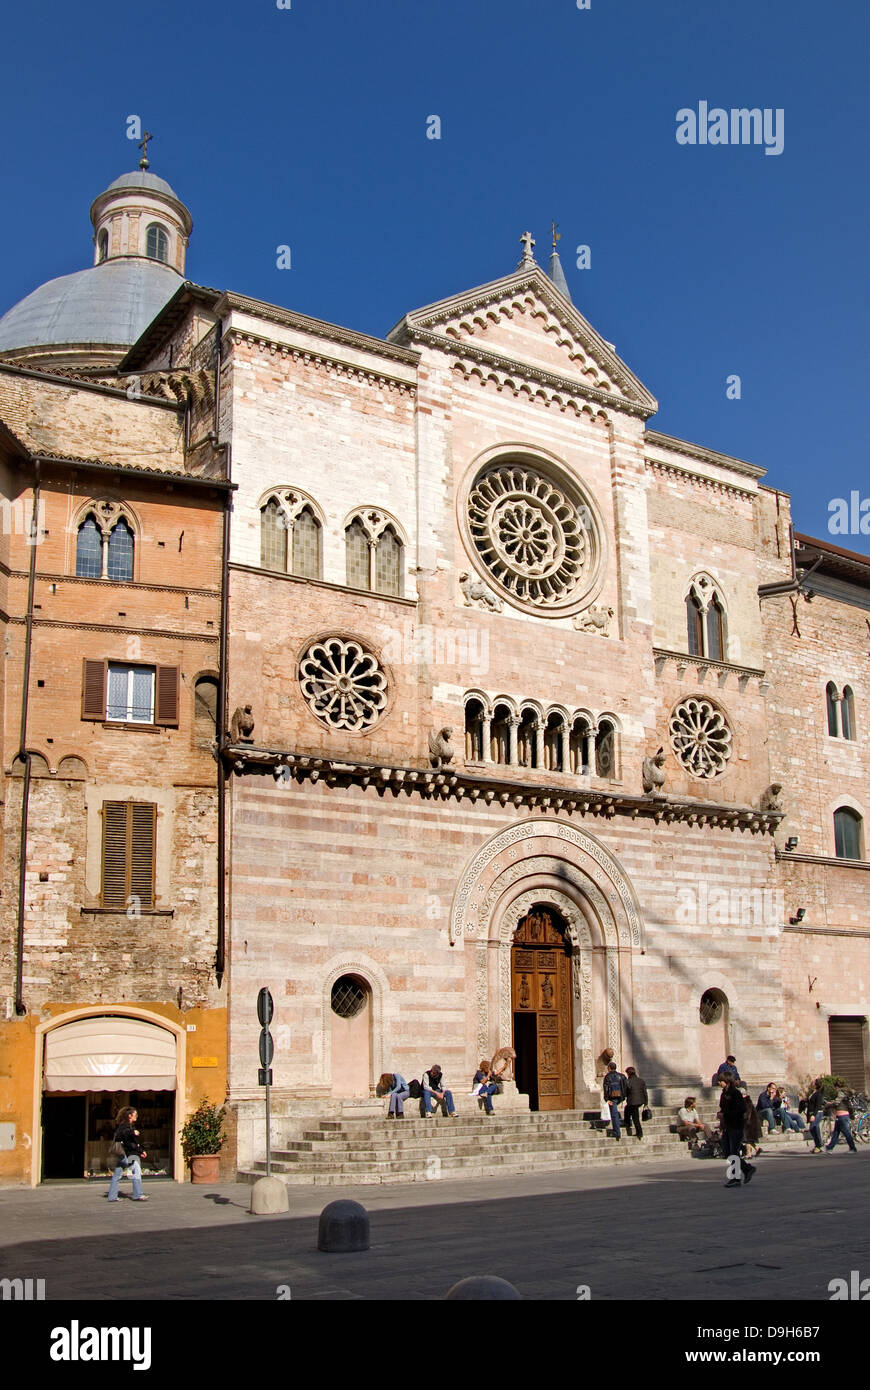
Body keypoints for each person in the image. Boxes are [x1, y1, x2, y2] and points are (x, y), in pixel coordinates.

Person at [106, 1106, 149, 1202]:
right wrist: (133, 1133)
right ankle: (138, 1195)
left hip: (123, 1154)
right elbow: (127, 1139)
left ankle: (112, 1196)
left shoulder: (124, 1125)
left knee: (117, 1174)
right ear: (130, 1116)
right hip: (125, 1154)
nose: (137, 1116)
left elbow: (127, 1138)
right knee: (136, 1170)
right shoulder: (126, 1126)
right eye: (135, 1114)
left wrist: (140, 1150)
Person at [721, 1080, 756, 1187]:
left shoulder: (735, 1093)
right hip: (727, 1126)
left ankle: (736, 1178)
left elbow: (741, 1109)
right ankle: (747, 1169)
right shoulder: (724, 1094)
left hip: (736, 1126)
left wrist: (726, 1114)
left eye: (721, 1081)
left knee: (734, 1153)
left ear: (726, 1081)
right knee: (728, 1152)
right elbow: (723, 1108)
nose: (719, 1083)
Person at [824, 1088, 858, 1153]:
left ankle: (853, 1148)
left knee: (846, 1133)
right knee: (836, 1133)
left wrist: (829, 1104)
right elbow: (849, 1107)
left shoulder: (841, 1094)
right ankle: (829, 1148)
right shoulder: (846, 1096)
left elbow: (836, 1103)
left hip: (842, 1116)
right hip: (840, 1116)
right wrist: (852, 1116)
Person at [602, 1061, 628, 1141]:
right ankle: (618, 1129)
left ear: (609, 1068)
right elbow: (625, 1086)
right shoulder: (622, 1076)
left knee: (614, 1115)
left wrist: (606, 1099)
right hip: (620, 1097)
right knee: (615, 1113)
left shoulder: (607, 1077)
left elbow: (606, 1088)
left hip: (612, 1097)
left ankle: (617, 1132)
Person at [623, 1066, 648, 1140]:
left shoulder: (628, 1081)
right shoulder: (641, 1081)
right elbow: (645, 1092)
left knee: (635, 1117)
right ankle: (627, 1123)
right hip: (640, 1101)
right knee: (627, 1109)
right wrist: (646, 1103)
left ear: (628, 1074)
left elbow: (626, 1092)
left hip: (633, 1101)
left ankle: (639, 1132)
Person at [803, 1078, 826, 1153]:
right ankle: (818, 1145)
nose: (812, 1083)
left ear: (816, 1084)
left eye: (813, 1082)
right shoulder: (813, 1092)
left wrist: (813, 1115)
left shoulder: (819, 1093)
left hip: (817, 1112)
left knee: (813, 1128)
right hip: (811, 1112)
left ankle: (819, 1145)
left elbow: (818, 1105)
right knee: (815, 1128)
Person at [742, 1090, 763, 1158]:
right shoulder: (747, 1101)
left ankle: (749, 1154)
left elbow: (747, 1113)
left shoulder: (746, 1101)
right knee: (749, 1139)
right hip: (751, 1123)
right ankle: (757, 1149)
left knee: (747, 1139)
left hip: (749, 1123)